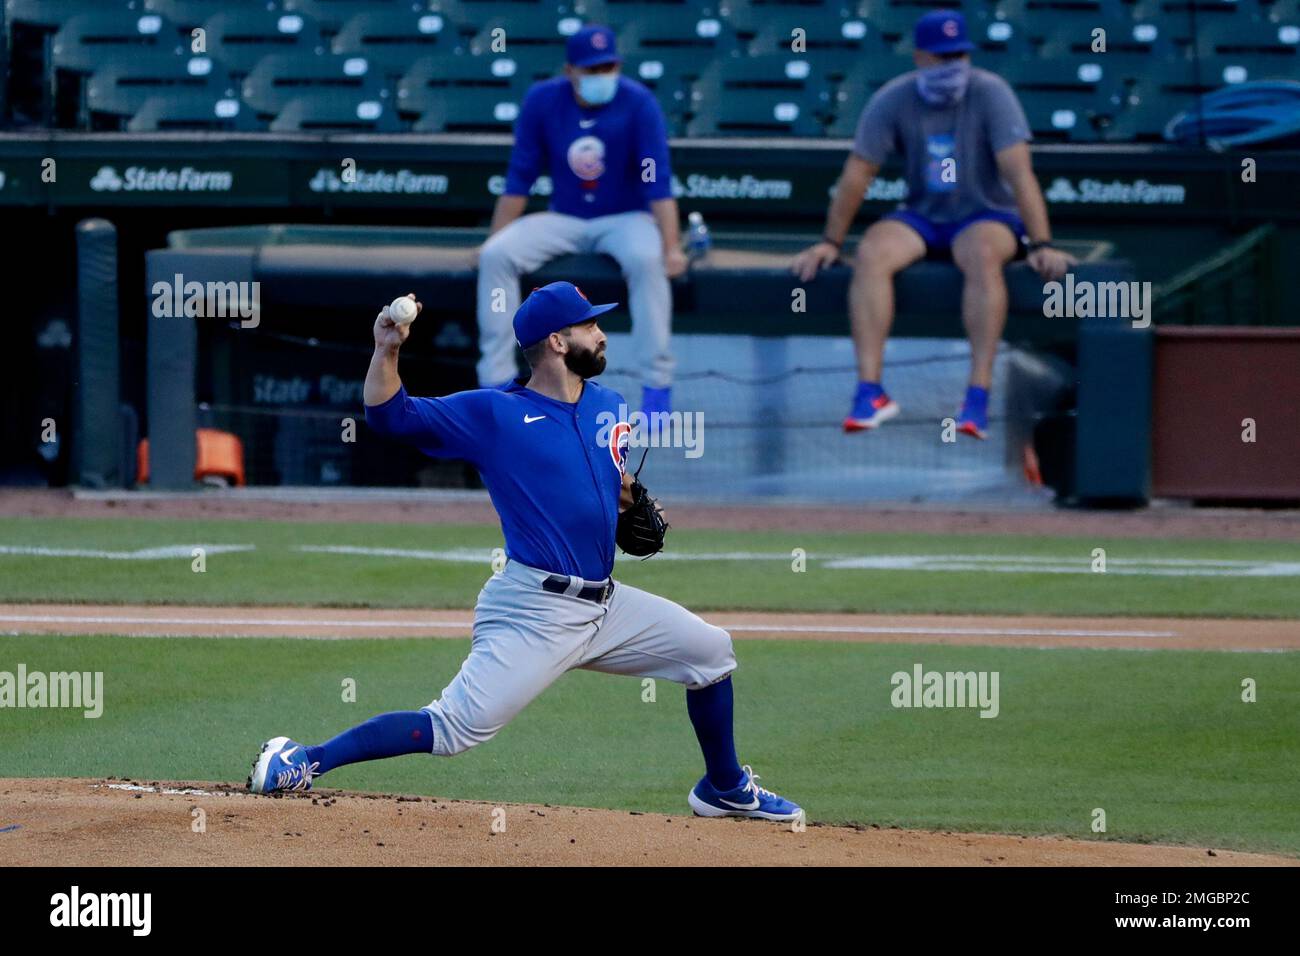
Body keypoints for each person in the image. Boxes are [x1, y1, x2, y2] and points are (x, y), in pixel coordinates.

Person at [246, 284, 802, 824]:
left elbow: (606, 480)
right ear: (557, 342)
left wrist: (629, 497)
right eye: (590, 324)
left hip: (606, 606)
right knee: (454, 730)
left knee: (711, 653)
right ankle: (303, 758)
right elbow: (391, 416)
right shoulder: (497, 414)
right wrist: (387, 349)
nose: (603, 333)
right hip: (535, 610)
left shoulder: (609, 404)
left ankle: (725, 789)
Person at [791, 9, 1076, 439]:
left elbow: (1019, 173)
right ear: (920, 56)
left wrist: (1041, 243)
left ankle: (977, 394)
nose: (952, 65)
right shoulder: (894, 97)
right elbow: (857, 173)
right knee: (871, 251)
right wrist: (831, 241)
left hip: (986, 213)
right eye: (942, 56)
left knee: (980, 254)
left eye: (959, 54)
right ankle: (870, 390)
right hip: (924, 214)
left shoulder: (991, 92)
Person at [474, 25, 686, 419]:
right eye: (591, 68)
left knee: (647, 259)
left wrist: (672, 247)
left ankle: (656, 386)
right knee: (496, 256)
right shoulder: (543, 100)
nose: (601, 74)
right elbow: (520, 176)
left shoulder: (638, 103)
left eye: (608, 66)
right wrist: (493, 237)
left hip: (624, 217)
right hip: (566, 217)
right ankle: (496, 382)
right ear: (570, 69)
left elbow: (655, 180)